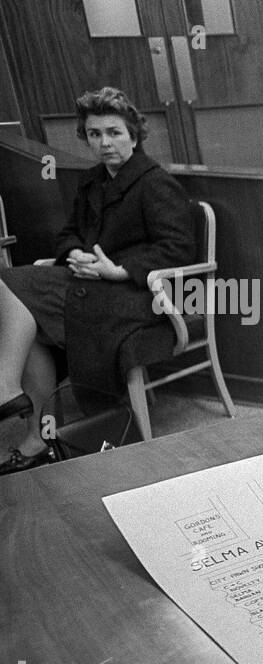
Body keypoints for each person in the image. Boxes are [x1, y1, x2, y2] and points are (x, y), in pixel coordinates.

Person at [0, 86, 193, 475]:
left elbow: (178, 248)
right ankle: (35, 432)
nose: (104, 143)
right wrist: (75, 253)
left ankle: (6, 390)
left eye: (114, 132)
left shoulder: (155, 182)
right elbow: (68, 232)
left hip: (134, 294)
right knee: (20, 305)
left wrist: (118, 270)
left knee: (9, 284)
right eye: (94, 134)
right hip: (88, 283)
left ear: (133, 136)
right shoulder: (91, 181)